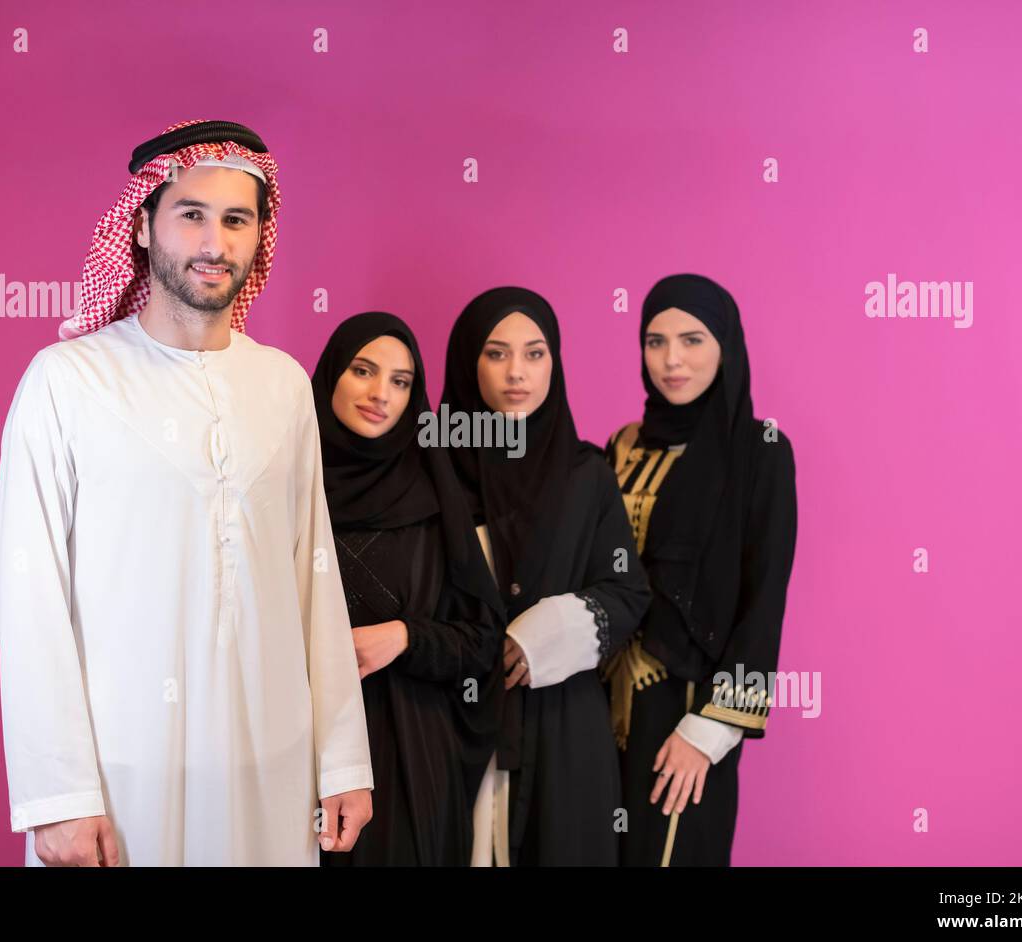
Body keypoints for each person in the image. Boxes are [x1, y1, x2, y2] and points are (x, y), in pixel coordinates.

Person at [0, 119, 372, 866]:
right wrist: (60, 796)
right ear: (141, 225)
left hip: (270, 773)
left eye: (237, 220)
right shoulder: (67, 382)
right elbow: (30, 599)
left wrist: (343, 763)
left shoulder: (285, 386)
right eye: (191, 214)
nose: (214, 242)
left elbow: (314, 587)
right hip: (122, 782)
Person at [442, 286, 651, 866]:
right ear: (466, 362)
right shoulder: (433, 471)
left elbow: (628, 591)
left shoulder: (586, 476)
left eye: (535, 354)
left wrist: (547, 633)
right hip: (451, 726)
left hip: (563, 732)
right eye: (496, 353)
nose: (518, 373)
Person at [603, 274, 797, 866]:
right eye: (655, 341)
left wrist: (711, 730)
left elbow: (763, 600)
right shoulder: (621, 445)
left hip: (688, 707)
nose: (671, 360)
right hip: (600, 703)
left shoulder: (759, 450)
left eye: (692, 340)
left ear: (726, 346)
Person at [312, 312, 505, 865]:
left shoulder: (431, 490)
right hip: (299, 740)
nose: (381, 394)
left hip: (408, 750)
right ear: (331, 377)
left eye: (400, 382)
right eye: (363, 371)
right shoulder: (285, 480)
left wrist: (403, 637)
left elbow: (482, 637)